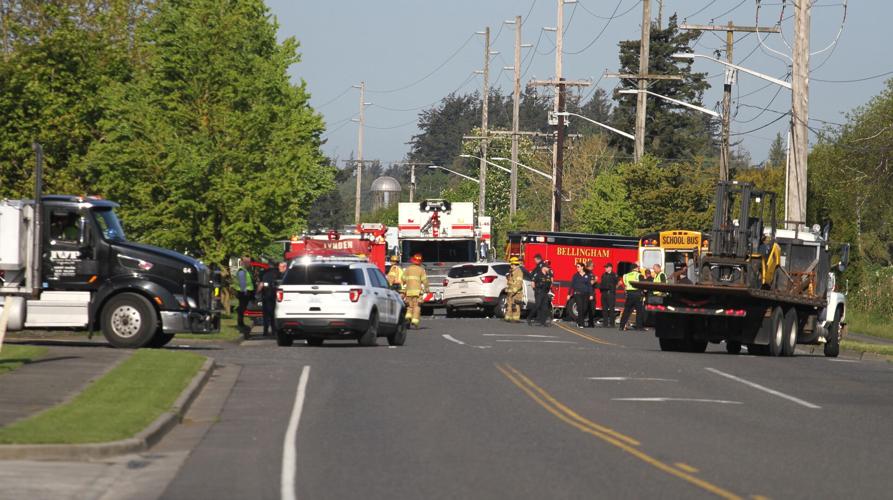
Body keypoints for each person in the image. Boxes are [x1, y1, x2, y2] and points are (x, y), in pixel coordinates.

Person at [258, 261, 286, 337]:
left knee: (266, 314)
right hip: (275, 296)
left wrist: (257, 292)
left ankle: (265, 331)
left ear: (269, 265)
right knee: (274, 314)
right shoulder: (279, 273)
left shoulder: (264, 273)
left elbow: (260, 285)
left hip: (266, 296)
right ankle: (274, 331)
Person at [402, 253, 428, 329]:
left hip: (408, 292)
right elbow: (424, 280)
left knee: (410, 306)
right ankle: (415, 320)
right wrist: (427, 288)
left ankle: (408, 316)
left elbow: (403, 279)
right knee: (417, 306)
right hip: (417, 292)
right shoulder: (421, 270)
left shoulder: (408, 269)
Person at [618, 264, 645, 331]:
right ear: (636, 268)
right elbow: (642, 285)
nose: (639, 268)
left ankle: (621, 326)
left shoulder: (625, 275)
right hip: (637, 294)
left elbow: (625, 284)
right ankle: (639, 327)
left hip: (629, 295)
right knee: (639, 311)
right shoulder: (639, 275)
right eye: (638, 267)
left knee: (626, 311)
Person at [233, 255, 255, 337]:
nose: (249, 263)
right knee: (242, 308)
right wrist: (245, 291)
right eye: (247, 262)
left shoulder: (246, 270)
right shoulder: (242, 271)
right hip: (243, 292)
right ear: (243, 262)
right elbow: (242, 283)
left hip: (246, 291)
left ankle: (241, 322)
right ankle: (240, 323)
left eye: (249, 262)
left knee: (243, 308)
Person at [570, 262, 594, 328]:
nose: (577, 268)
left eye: (578, 267)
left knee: (585, 308)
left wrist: (591, 294)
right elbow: (572, 285)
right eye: (576, 267)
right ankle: (581, 324)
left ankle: (578, 321)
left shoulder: (587, 275)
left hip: (585, 294)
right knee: (580, 308)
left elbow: (589, 286)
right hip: (577, 294)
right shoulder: (575, 275)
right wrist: (569, 294)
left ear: (582, 267)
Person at [531, 260, 554, 326]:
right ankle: (539, 318)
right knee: (538, 304)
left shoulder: (549, 271)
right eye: (546, 264)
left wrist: (549, 289)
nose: (547, 266)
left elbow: (551, 280)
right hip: (538, 290)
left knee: (545, 305)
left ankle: (543, 319)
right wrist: (535, 289)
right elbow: (533, 279)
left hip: (545, 291)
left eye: (547, 264)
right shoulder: (539, 270)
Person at [504, 256, 525, 323]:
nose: (511, 266)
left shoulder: (519, 272)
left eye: (512, 264)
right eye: (511, 264)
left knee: (515, 306)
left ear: (515, 264)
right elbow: (510, 282)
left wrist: (514, 291)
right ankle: (508, 317)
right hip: (510, 292)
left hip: (516, 293)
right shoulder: (511, 272)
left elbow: (519, 283)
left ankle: (515, 319)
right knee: (509, 305)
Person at [598, 263, 618, 327]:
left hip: (610, 293)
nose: (605, 268)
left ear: (610, 268)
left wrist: (613, 289)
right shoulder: (603, 275)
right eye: (605, 267)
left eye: (606, 267)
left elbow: (618, 283)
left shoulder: (614, 275)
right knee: (604, 309)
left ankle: (612, 324)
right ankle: (605, 323)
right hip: (604, 293)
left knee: (611, 309)